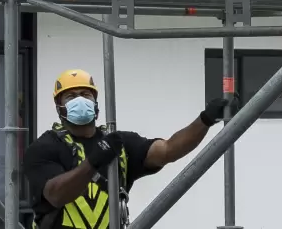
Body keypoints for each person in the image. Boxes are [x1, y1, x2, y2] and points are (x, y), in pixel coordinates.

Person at [22, 68, 234, 229]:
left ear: (96, 103)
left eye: (86, 95)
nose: (80, 100)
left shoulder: (119, 144)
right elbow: (56, 195)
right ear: (59, 106)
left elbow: (169, 150)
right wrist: (93, 162)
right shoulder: (43, 148)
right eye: (71, 96)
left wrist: (205, 119)